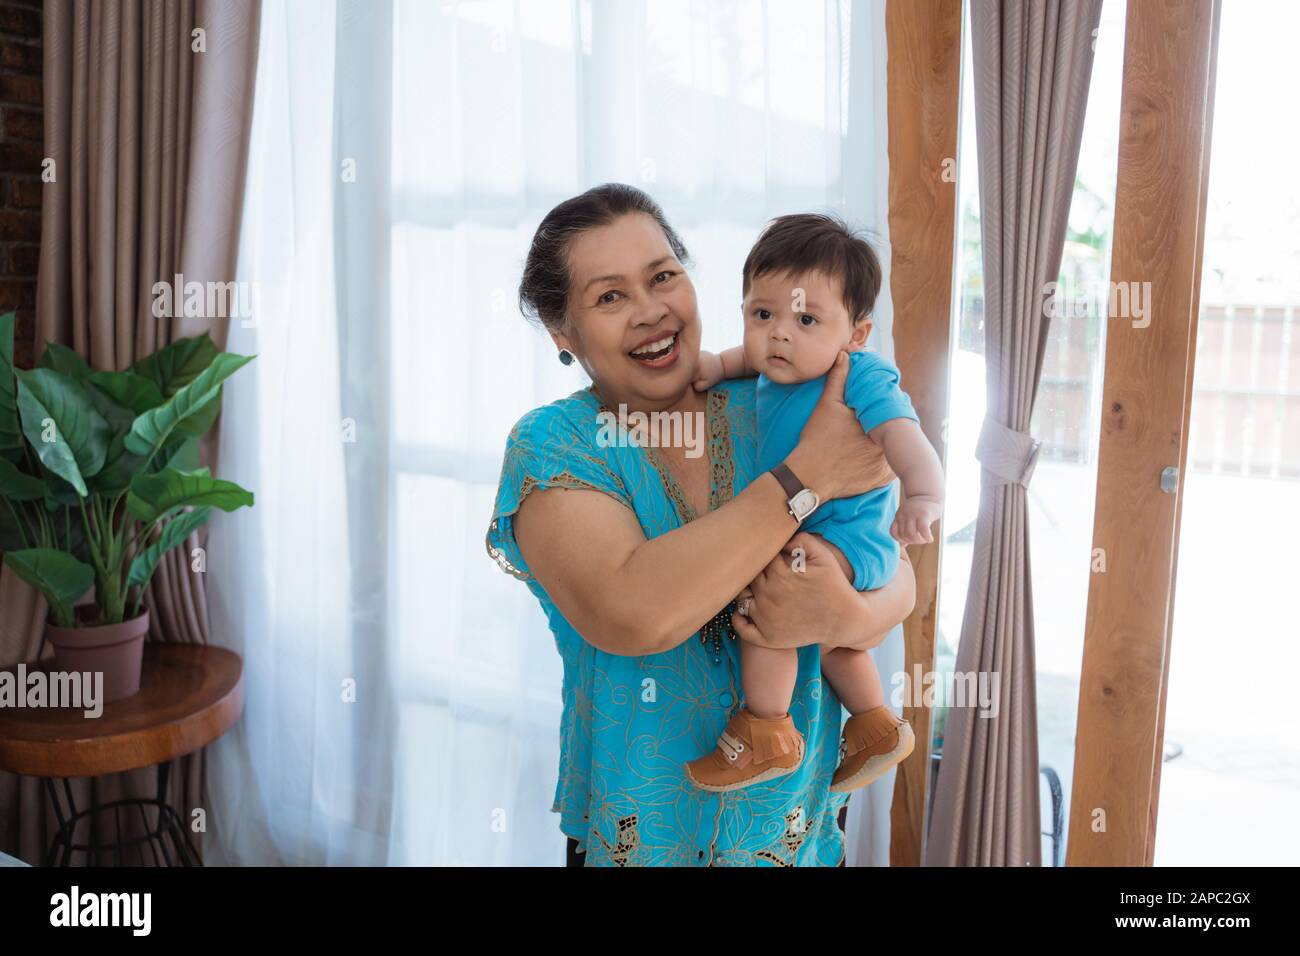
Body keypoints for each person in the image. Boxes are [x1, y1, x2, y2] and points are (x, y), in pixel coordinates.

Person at [486, 183, 916, 866]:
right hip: (641, 842)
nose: (651, 311)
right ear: (561, 331)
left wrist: (846, 616)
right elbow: (633, 612)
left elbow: (891, 564)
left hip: (795, 840)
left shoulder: (779, 397)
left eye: (663, 277)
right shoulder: (556, 444)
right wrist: (807, 474)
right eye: (609, 296)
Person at [686, 213, 945, 795]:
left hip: (847, 540)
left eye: (806, 319)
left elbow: (906, 437)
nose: (780, 333)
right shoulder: (782, 360)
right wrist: (714, 367)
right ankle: (876, 724)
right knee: (832, 640)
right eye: (763, 314)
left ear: (855, 334)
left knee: (769, 608)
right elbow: (743, 359)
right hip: (834, 539)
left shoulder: (861, 376)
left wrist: (923, 495)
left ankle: (766, 732)